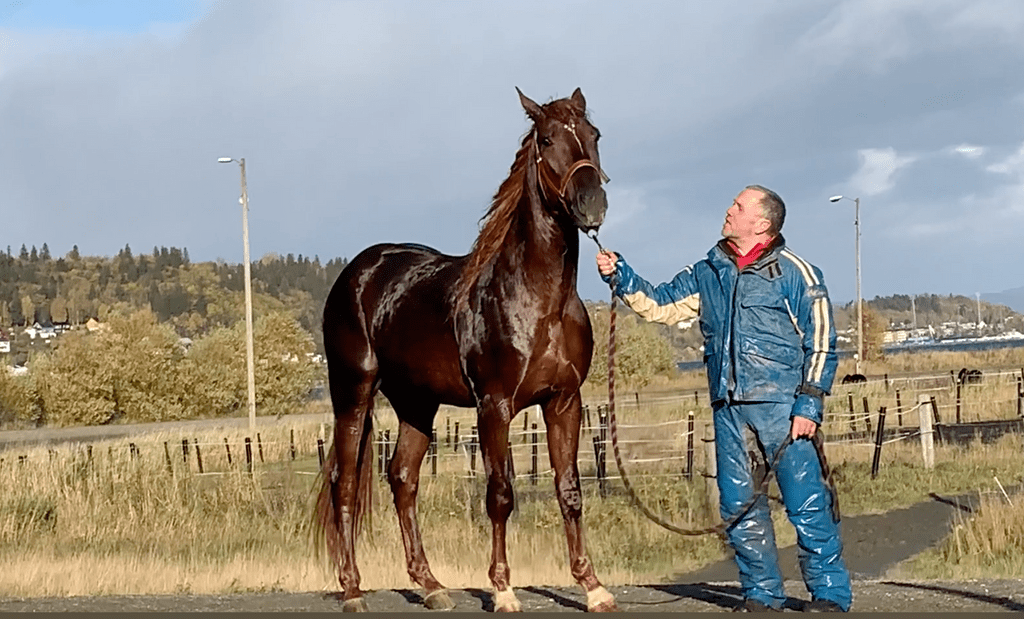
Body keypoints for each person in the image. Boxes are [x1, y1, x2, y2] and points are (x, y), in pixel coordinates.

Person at [595, 185, 852, 613]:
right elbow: (660, 304)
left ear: (762, 223)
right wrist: (621, 275)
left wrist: (809, 403)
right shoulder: (707, 271)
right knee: (738, 509)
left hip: (784, 410)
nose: (729, 210)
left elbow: (822, 341)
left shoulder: (796, 273)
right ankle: (761, 595)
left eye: (738, 206)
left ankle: (830, 595)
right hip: (728, 410)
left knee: (807, 504)